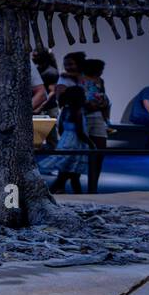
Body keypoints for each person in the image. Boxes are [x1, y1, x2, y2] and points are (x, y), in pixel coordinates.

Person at [45, 86, 89, 194]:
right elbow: (80, 132)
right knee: (67, 177)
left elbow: (60, 128)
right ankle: (47, 196)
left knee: (69, 176)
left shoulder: (65, 110)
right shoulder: (78, 112)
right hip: (75, 145)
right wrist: (91, 144)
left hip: (65, 143)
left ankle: (81, 200)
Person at [80, 58, 110, 191]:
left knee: (99, 152)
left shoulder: (100, 81)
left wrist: (104, 112)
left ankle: (93, 188)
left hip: (97, 117)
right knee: (78, 154)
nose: (101, 72)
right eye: (100, 69)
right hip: (83, 117)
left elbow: (103, 96)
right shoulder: (80, 80)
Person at [31, 49, 59, 116]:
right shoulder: (37, 70)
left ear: (43, 56)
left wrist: (40, 107)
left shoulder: (51, 72)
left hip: (49, 110)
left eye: (35, 56)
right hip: (38, 109)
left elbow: (52, 92)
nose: (33, 58)